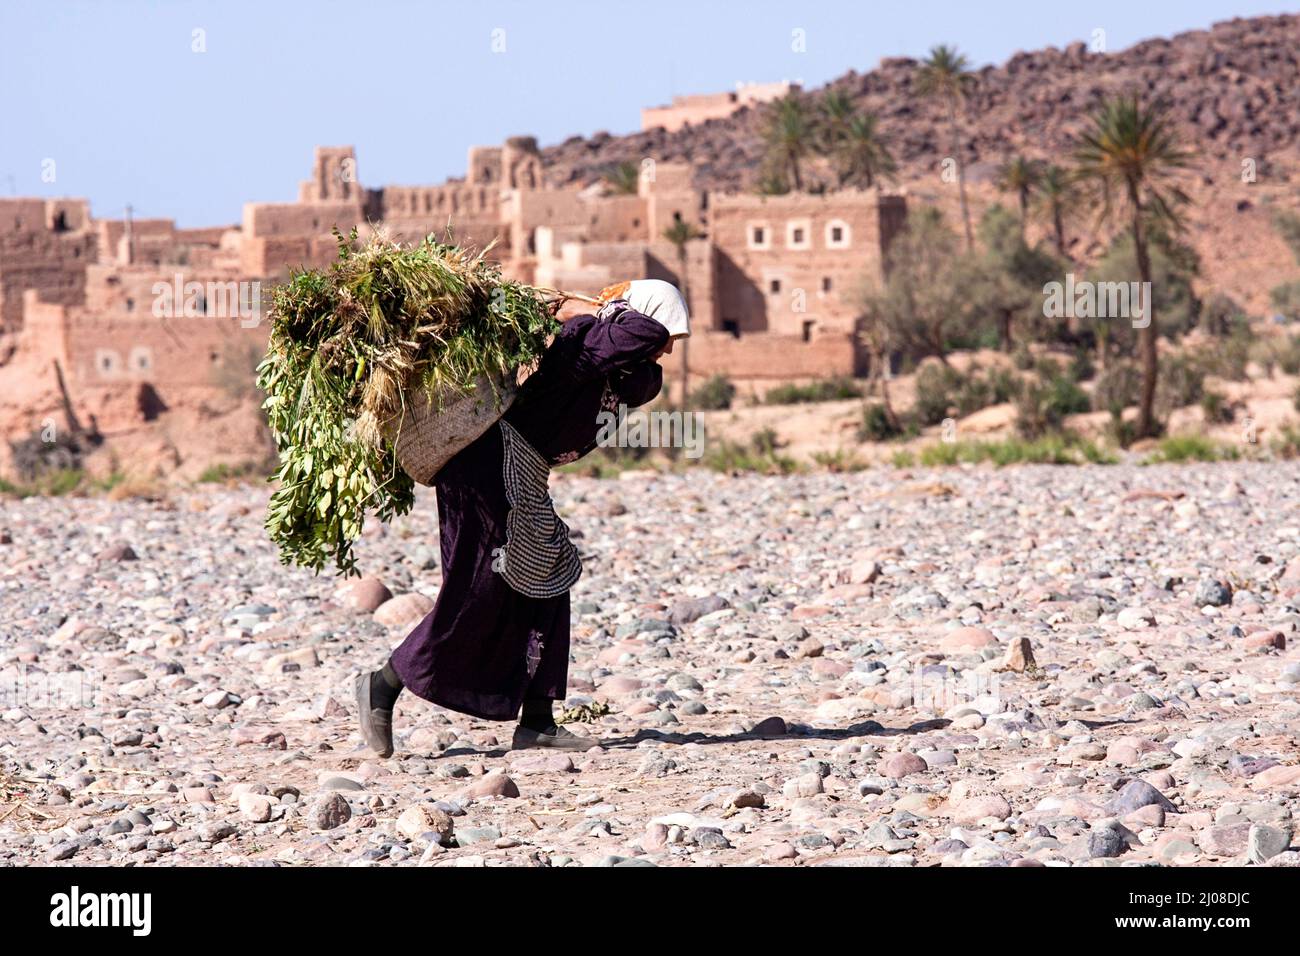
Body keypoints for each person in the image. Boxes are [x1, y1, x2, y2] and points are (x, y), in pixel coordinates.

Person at [355, 279, 690, 754]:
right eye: (668, 335)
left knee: (551, 572)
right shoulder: (585, 341)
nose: (667, 352)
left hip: (525, 472)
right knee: (478, 589)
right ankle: (383, 683)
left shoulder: (630, 368)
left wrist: (611, 314)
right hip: (486, 465)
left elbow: (642, 372)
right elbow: (634, 332)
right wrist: (592, 307)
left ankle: (538, 721)